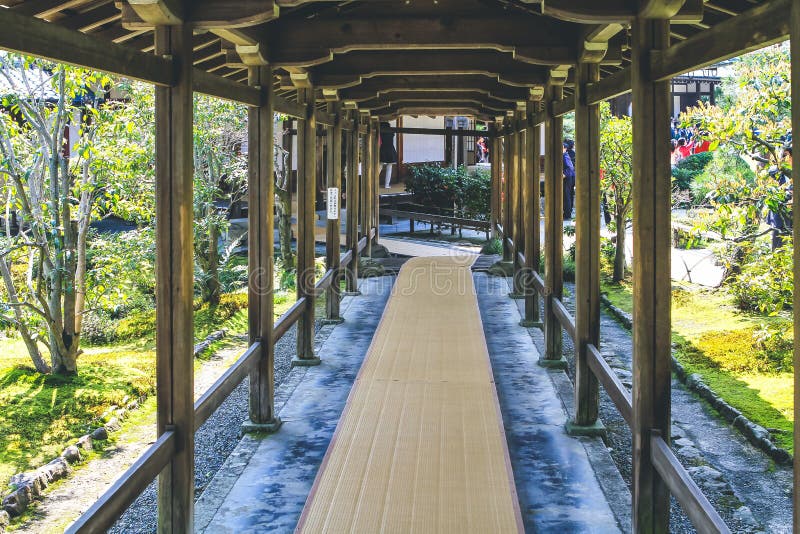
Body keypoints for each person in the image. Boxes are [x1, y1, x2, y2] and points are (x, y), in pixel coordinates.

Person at [767, 145, 793, 250]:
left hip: (793, 214)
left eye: (787, 155)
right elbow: (771, 170)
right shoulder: (778, 172)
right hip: (779, 214)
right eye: (783, 156)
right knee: (777, 245)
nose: (786, 158)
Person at [379, 121, 398, 189]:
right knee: (389, 168)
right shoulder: (391, 131)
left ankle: (373, 183)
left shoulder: (380, 131)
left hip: (382, 149)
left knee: (379, 167)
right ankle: (387, 185)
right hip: (391, 149)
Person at [563, 141, 575, 220]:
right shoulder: (564, 155)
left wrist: (564, 174)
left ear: (565, 148)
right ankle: (567, 213)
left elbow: (570, 167)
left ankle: (567, 214)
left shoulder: (565, 155)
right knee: (567, 195)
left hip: (568, 178)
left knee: (567, 195)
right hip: (569, 177)